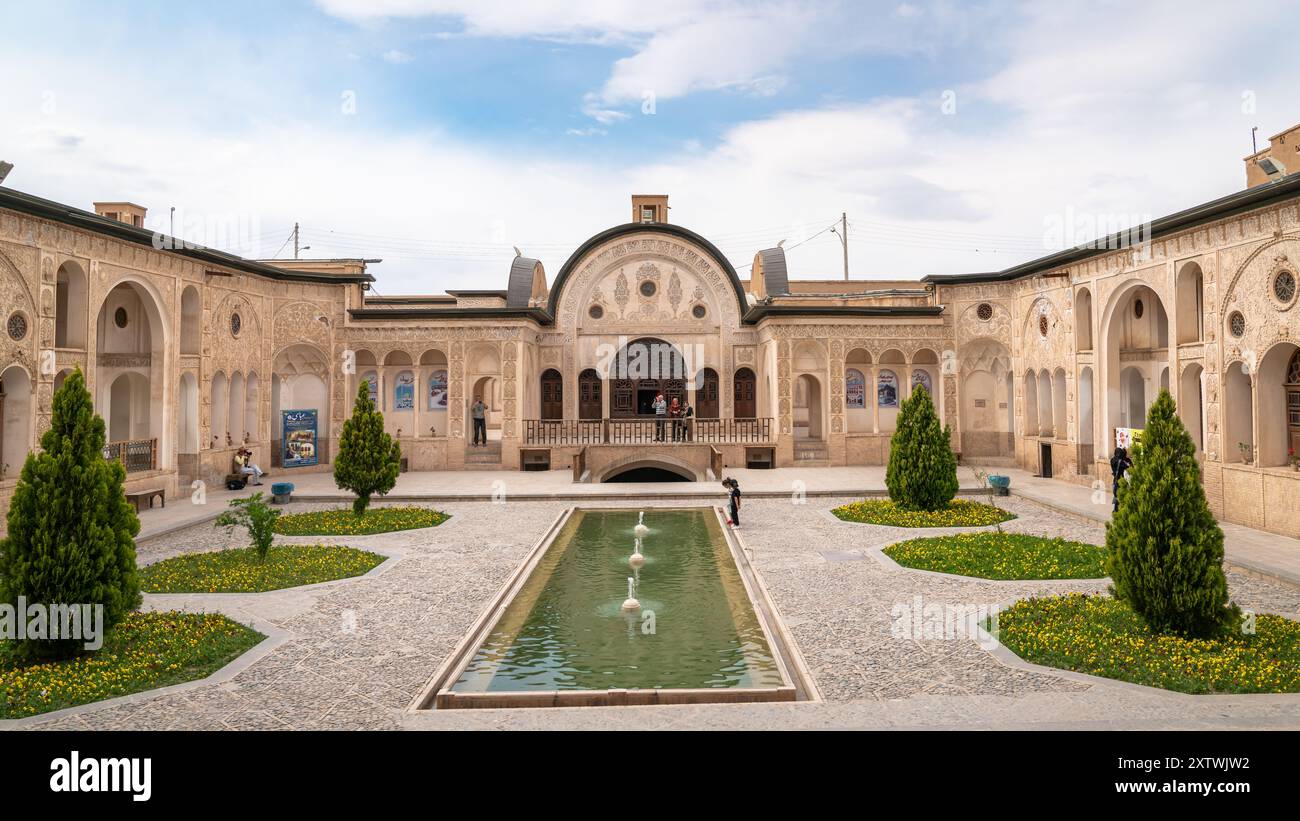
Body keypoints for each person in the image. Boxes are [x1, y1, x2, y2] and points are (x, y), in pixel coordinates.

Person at [1109, 446, 1132, 513]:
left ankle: (1116, 511)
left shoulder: (1113, 460)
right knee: (1120, 497)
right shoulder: (1119, 461)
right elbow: (1128, 467)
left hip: (1116, 481)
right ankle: (1119, 511)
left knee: (1117, 497)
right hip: (1121, 481)